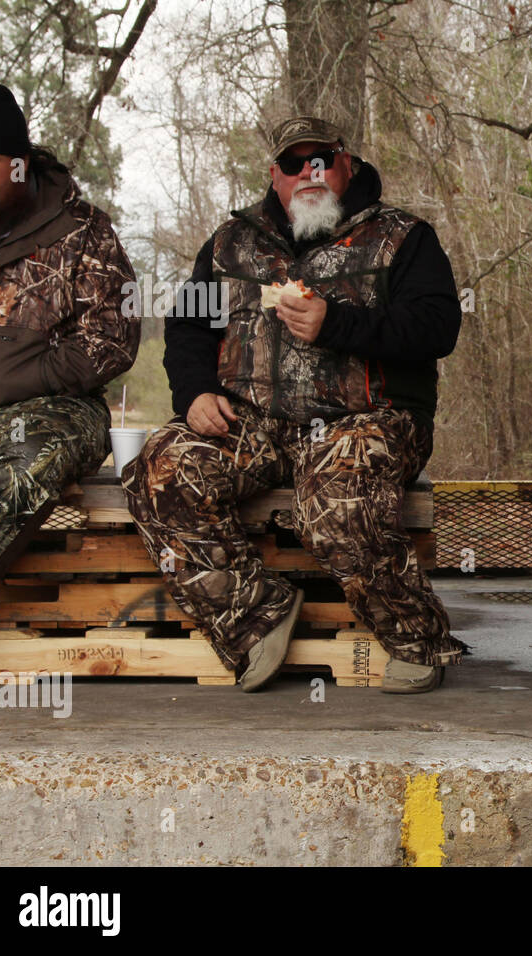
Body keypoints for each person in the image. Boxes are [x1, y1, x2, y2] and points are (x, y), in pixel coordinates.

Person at [122, 115, 465, 692]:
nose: (308, 172)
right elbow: (186, 326)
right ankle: (257, 618)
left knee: (336, 491)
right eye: (292, 163)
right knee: (159, 469)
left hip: (371, 418)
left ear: (346, 164)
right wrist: (195, 393)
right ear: (274, 176)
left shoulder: (402, 236)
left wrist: (339, 324)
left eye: (321, 159)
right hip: (255, 421)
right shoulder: (232, 244)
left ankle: (414, 635)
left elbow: (438, 327)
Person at [0, 76, 139, 612]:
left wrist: (6, 375)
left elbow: (111, 340)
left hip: (52, 411)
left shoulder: (82, 231)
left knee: (23, 461)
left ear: (19, 163)